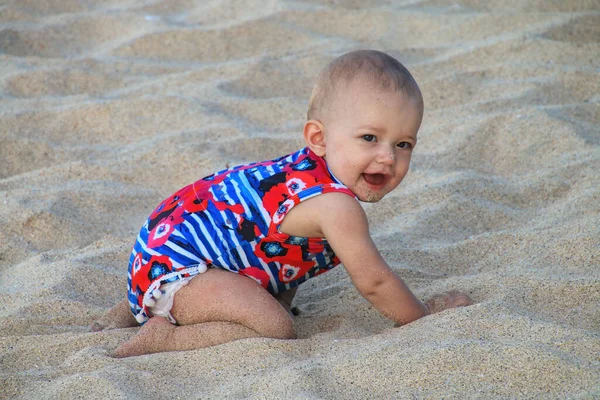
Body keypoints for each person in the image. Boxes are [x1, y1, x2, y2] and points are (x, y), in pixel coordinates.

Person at [92, 50, 472, 357]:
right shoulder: (336, 206)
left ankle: (139, 305)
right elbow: (374, 282)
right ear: (318, 137)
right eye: (370, 137)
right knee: (275, 326)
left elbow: (270, 247)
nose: (388, 157)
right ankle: (166, 336)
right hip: (180, 265)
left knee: (277, 290)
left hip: (166, 247)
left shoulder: (311, 168)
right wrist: (422, 318)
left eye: (403, 144)